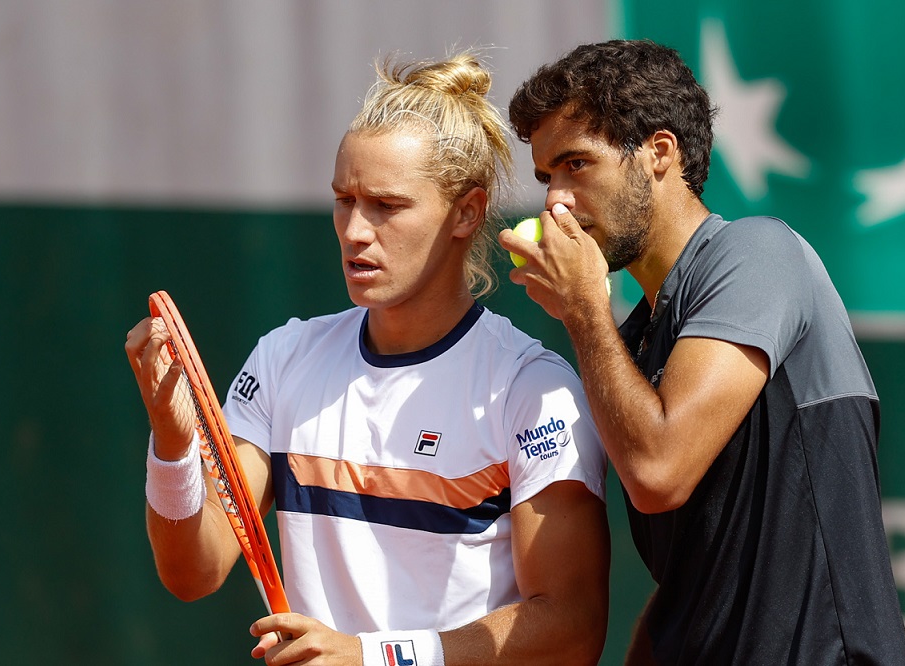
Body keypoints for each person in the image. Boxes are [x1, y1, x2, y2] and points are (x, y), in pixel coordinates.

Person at [126, 51, 610, 666]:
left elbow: (570, 627)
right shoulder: (283, 359)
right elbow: (193, 573)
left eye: (386, 205)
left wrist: (372, 656)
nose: (355, 230)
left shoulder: (533, 390)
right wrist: (173, 444)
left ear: (467, 211)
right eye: (344, 200)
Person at [500, 39, 905, 665]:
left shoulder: (758, 253)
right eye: (545, 176)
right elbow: (694, 582)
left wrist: (584, 308)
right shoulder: (631, 341)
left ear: (660, 153)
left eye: (576, 164)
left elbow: (658, 472)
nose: (555, 200)